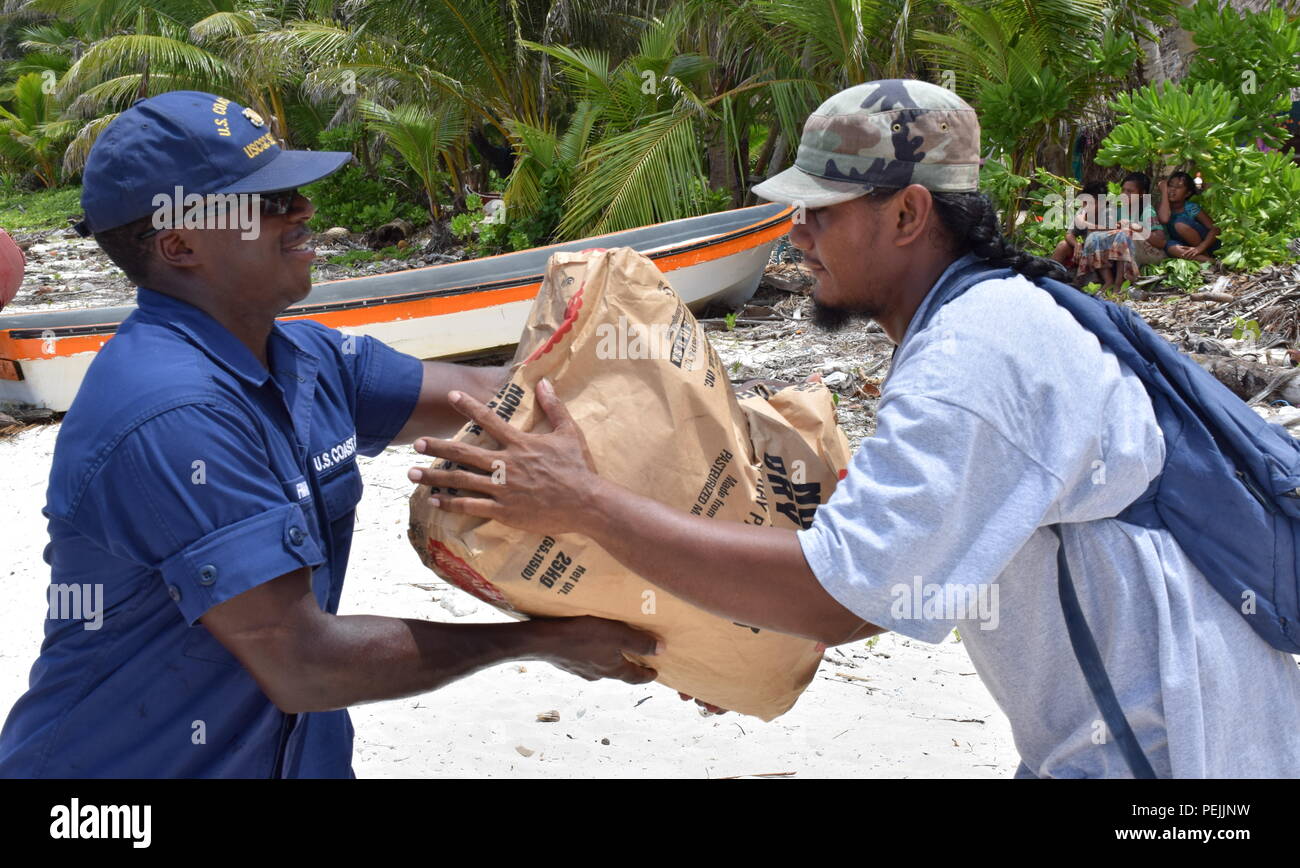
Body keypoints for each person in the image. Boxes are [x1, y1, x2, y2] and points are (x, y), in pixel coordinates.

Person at [408, 79, 1300, 778]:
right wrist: (723, 642)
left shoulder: (975, 364)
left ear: (908, 213)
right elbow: (894, 574)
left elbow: (838, 598)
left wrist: (587, 504)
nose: (796, 233)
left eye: (819, 212)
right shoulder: (992, 321)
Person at [0, 92, 658, 778]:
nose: (303, 210)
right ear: (180, 244)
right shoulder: (173, 414)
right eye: (269, 201)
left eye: (294, 191)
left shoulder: (303, 358)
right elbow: (304, 665)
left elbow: (501, 397)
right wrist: (545, 641)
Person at [1157, 170, 1221, 261]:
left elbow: (1215, 229)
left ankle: (1205, 254)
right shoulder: (1163, 206)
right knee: (1170, 247)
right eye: (1170, 185)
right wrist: (1163, 191)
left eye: (1179, 187)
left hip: (1205, 245)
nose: (1172, 189)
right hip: (1185, 246)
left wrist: (1200, 248)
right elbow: (1164, 219)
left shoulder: (1191, 208)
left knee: (1180, 224)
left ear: (1187, 193)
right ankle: (1210, 261)